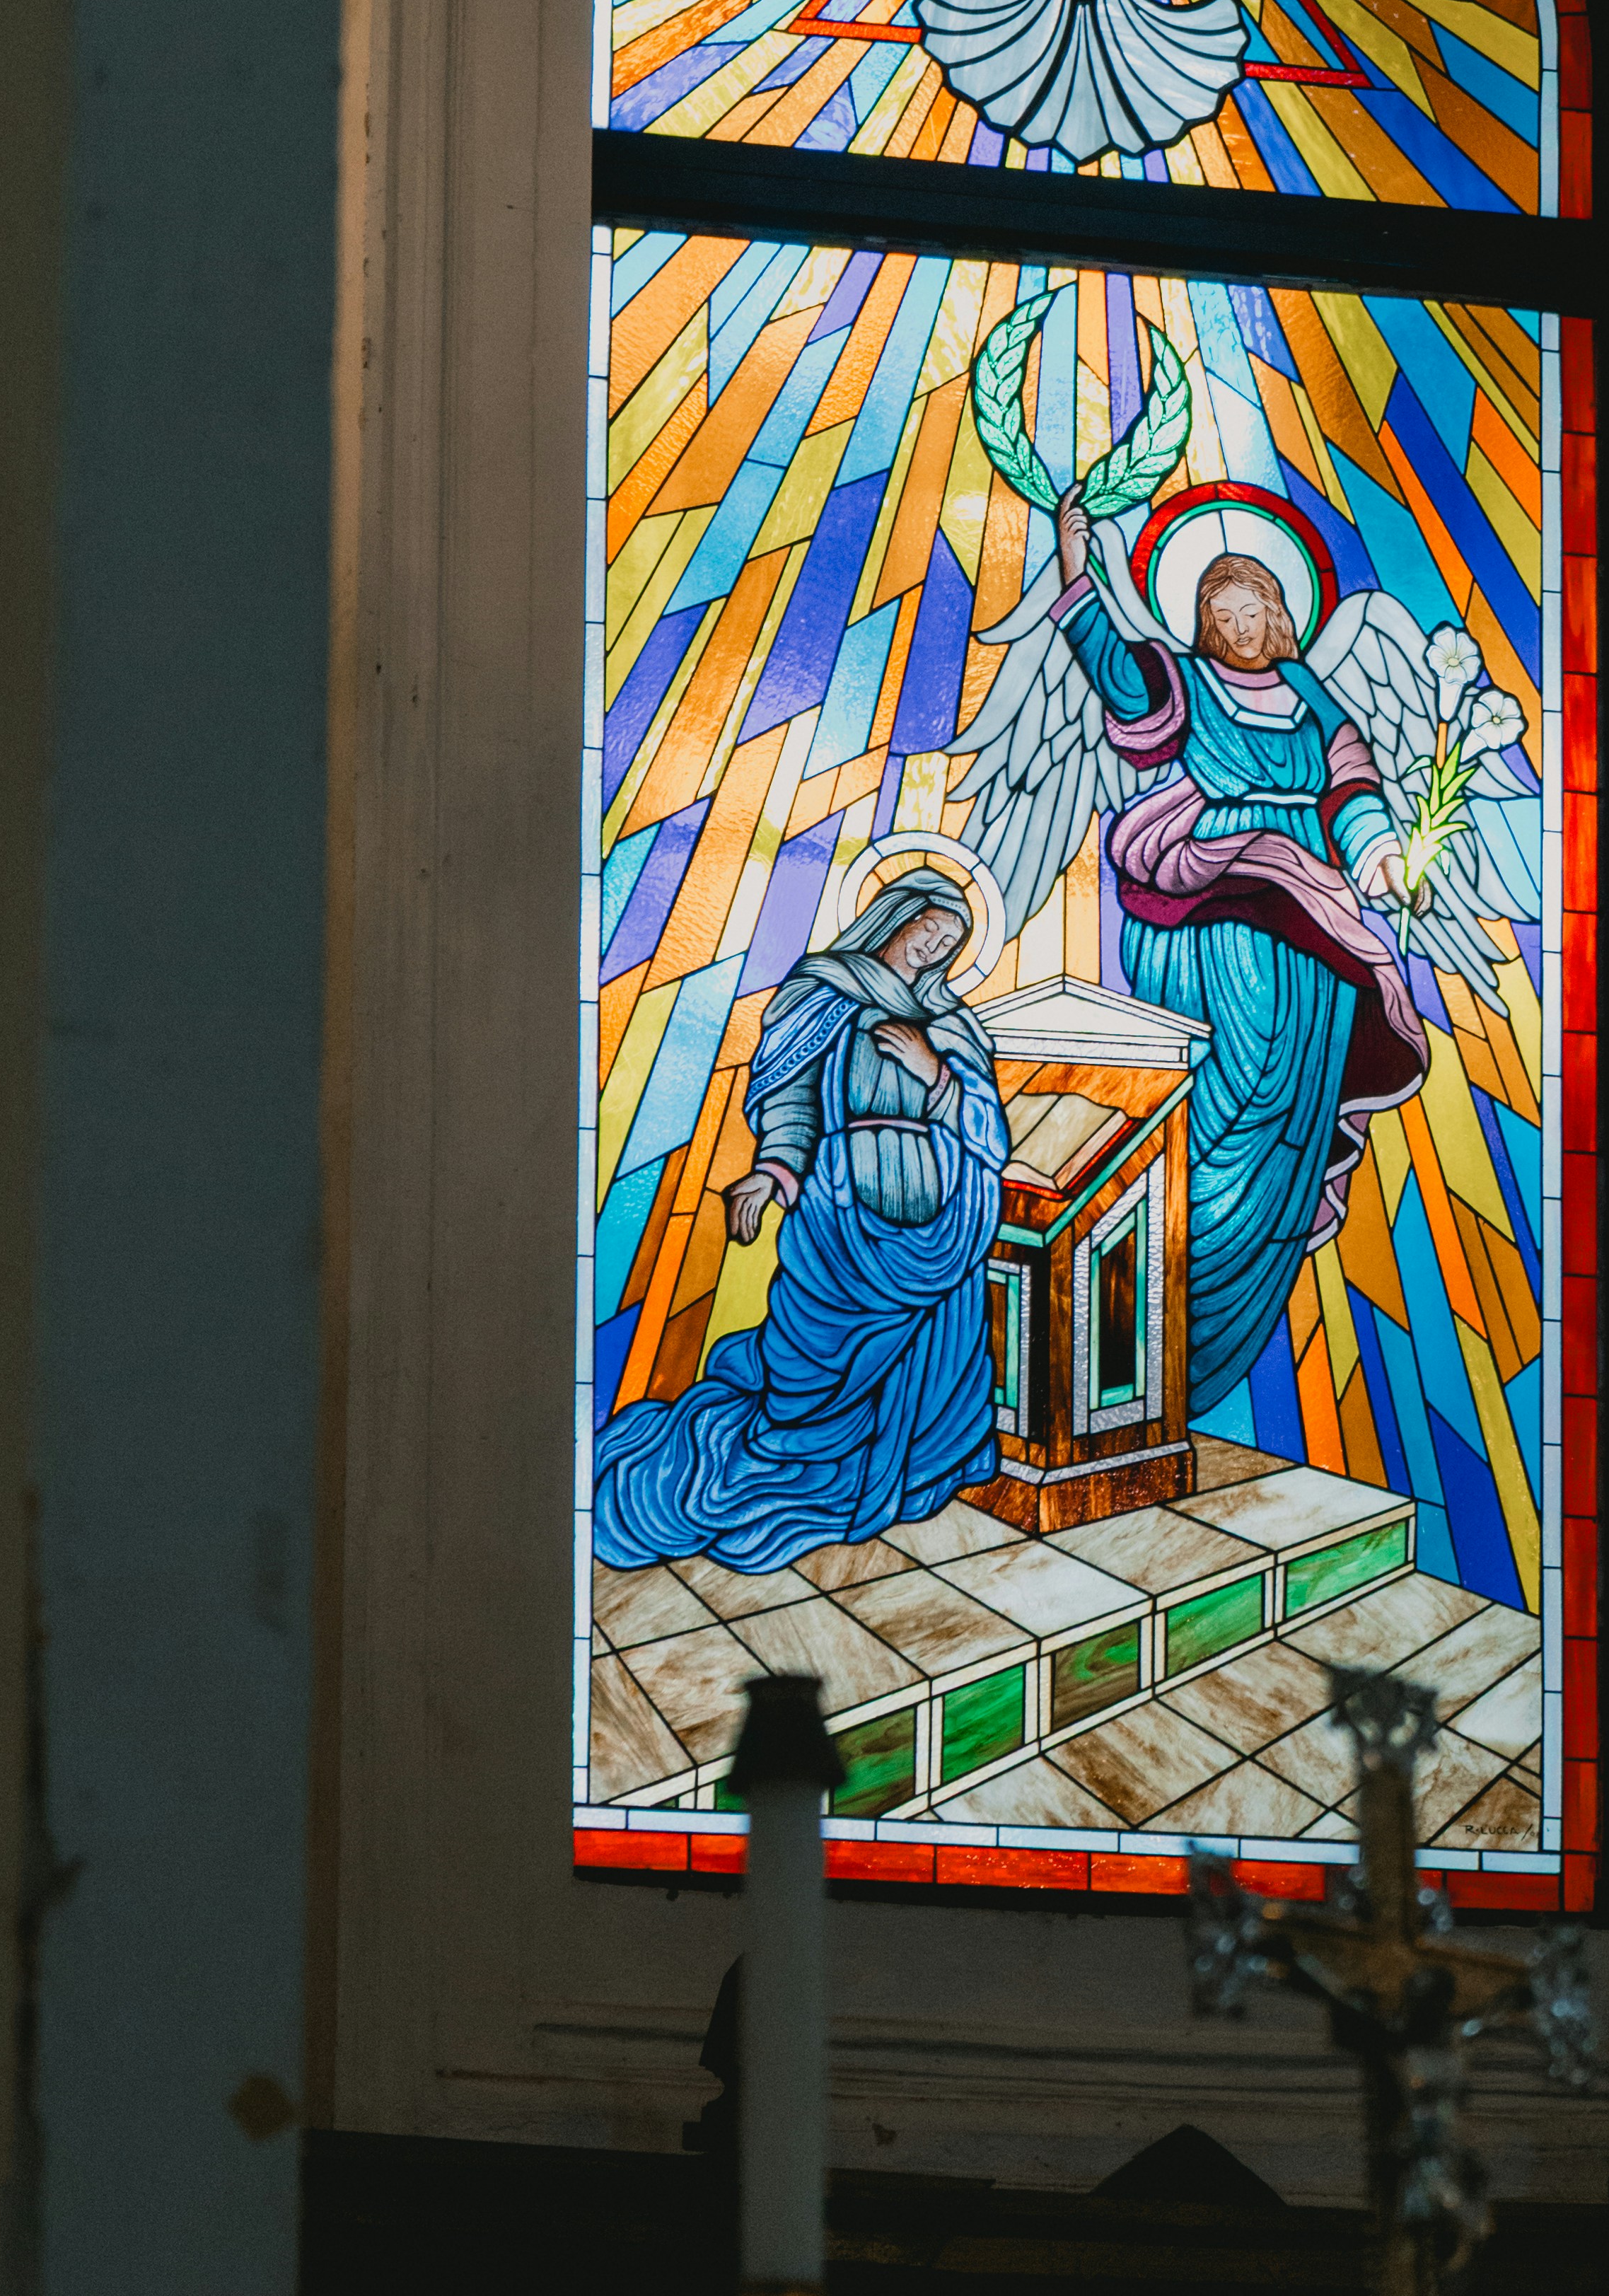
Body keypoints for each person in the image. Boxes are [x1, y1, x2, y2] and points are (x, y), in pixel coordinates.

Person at [1053, 494, 1429, 1413]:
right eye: (1220, 613)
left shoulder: (1313, 697)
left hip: (1310, 912)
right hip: (1212, 899)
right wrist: (1076, 569)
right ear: (1199, 623)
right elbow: (1114, 670)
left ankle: (1199, 1321)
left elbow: (1352, 787)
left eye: (1253, 607)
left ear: (1282, 613)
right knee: (1227, 1095)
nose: (1239, 623)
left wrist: (1379, 850)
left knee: (1286, 1111)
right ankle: (1152, 1294)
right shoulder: (1183, 680)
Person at [591, 876, 1008, 1577]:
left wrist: (932, 1070)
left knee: (932, 1358)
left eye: (948, 943)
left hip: (936, 1220)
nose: (933, 949)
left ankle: (910, 1472)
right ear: (893, 919)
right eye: (927, 931)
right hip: (838, 1217)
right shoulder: (824, 993)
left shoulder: (949, 1021)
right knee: (806, 1370)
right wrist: (773, 1173)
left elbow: (985, 1128)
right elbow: (791, 1101)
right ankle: (787, 1463)